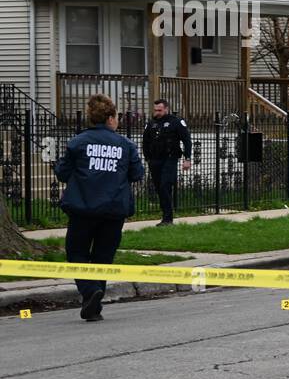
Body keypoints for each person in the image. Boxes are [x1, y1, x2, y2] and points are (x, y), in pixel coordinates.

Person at [54, 94, 145, 322]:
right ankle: (94, 304)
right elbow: (137, 174)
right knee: (103, 257)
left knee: (76, 253)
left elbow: (62, 173)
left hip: (83, 208)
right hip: (114, 210)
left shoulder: (77, 142)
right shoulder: (126, 145)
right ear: (111, 118)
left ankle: (89, 291)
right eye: (117, 117)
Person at [141, 97, 192, 226]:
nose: (157, 112)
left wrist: (187, 158)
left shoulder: (176, 122)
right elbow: (145, 142)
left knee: (165, 185)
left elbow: (187, 140)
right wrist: (147, 158)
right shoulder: (151, 123)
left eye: (160, 110)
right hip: (154, 160)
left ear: (166, 109)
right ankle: (166, 217)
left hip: (170, 159)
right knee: (160, 188)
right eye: (155, 110)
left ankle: (168, 218)